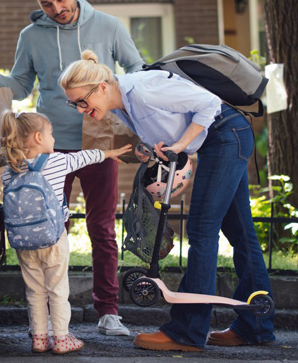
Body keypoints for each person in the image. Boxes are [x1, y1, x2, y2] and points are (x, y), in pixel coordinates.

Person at [58, 50, 276, 351]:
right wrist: (148, 149)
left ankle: (187, 331)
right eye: (74, 103)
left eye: (83, 101)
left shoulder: (145, 88)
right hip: (222, 139)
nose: (81, 109)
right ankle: (256, 326)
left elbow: (210, 104)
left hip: (226, 136)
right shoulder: (121, 105)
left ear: (103, 87)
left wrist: (181, 146)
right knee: (241, 232)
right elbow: (167, 124)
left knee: (201, 230)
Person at [0, 0, 144, 336]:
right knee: (49, 230)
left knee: (101, 228)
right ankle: (50, 311)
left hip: (98, 142)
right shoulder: (31, 36)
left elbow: (137, 68)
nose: (57, 8)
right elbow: (19, 86)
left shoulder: (109, 26)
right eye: (47, 4)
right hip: (47, 147)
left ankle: (108, 311)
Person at [0, 111, 132, 354]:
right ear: (39, 137)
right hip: (53, 237)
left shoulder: (9, 171)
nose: (54, 139)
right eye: (51, 134)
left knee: (35, 291)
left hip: (24, 242)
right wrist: (109, 153)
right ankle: (61, 338)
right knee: (57, 289)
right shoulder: (57, 161)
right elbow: (84, 157)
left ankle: (39, 338)